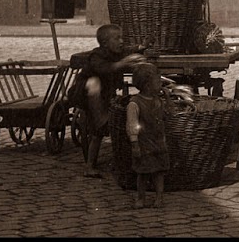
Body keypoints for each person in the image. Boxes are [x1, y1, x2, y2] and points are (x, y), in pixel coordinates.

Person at [70, 23, 145, 178]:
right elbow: (103, 69)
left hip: (105, 96)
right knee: (94, 83)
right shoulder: (96, 55)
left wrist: (140, 47)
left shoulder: (116, 52)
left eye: (121, 37)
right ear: (105, 43)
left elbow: (127, 50)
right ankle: (100, 121)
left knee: (97, 134)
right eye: (117, 38)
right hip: (85, 94)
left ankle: (92, 164)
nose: (121, 41)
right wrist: (123, 63)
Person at [125, 63, 169, 209]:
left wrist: (168, 99)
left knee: (159, 172)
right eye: (158, 81)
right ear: (148, 85)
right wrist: (134, 143)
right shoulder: (135, 103)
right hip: (143, 143)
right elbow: (132, 125)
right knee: (142, 172)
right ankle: (141, 198)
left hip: (158, 141)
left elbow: (168, 114)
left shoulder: (158, 100)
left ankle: (159, 197)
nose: (161, 83)